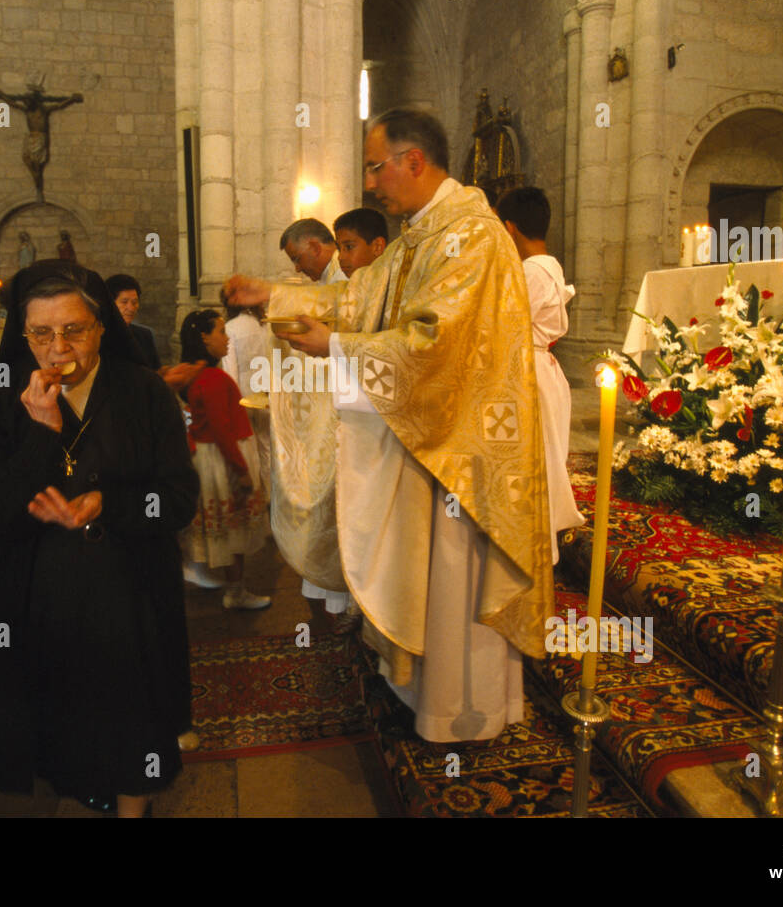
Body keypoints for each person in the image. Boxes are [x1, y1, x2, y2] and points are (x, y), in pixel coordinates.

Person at [226, 107, 554, 743]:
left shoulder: (472, 238)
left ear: (413, 161)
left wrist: (340, 350)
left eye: (376, 166)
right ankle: (420, 688)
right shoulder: (420, 237)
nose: (372, 183)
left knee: (455, 578)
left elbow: (436, 345)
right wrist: (273, 297)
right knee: (424, 574)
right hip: (425, 439)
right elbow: (357, 298)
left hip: (462, 451)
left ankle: (465, 709)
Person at [0, 260, 199, 818]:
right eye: (41, 333)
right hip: (42, 586)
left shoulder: (143, 392)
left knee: (132, 708)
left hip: (131, 581)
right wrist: (42, 436)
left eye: (73, 329)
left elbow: (179, 499)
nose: (57, 346)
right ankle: (87, 782)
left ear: (101, 329)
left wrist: (109, 504)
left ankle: (132, 804)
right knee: (66, 710)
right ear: (23, 335)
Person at [496, 186, 585, 563]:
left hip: (528, 374)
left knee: (534, 462)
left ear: (509, 227)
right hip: (538, 370)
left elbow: (500, 325)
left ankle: (534, 551)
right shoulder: (547, 265)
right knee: (540, 458)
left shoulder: (532, 271)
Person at [274, 219, 352, 618]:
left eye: (298, 258)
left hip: (346, 414)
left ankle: (346, 600)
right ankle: (331, 594)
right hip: (326, 412)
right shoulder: (321, 287)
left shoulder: (347, 284)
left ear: (317, 247)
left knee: (342, 508)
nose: (297, 268)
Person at [178, 309, 271, 610]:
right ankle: (236, 591)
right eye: (220, 331)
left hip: (208, 456)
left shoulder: (194, 373)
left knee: (225, 526)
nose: (227, 337)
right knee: (234, 529)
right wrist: (241, 471)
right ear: (203, 338)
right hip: (221, 459)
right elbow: (221, 430)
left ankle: (224, 582)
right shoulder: (214, 378)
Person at [219, 287, 273, 486]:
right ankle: (270, 493)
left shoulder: (231, 327)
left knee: (249, 446)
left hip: (243, 391)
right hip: (267, 387)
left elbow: (229, 366)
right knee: (268, 445)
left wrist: (231, 400)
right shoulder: (264, 325)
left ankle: (256, 493)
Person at [105, 273, 161, 370]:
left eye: (134, 302)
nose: (131, 308)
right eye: (124, 302)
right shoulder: (100, 337)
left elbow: (155, 372)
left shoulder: (145, 335)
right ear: (110, 304)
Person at [333, 207, 388, 278]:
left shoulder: (394, 286)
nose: (340, 257)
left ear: (377, 247)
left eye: (349, 247)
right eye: (339, 249)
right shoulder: (345, 287)